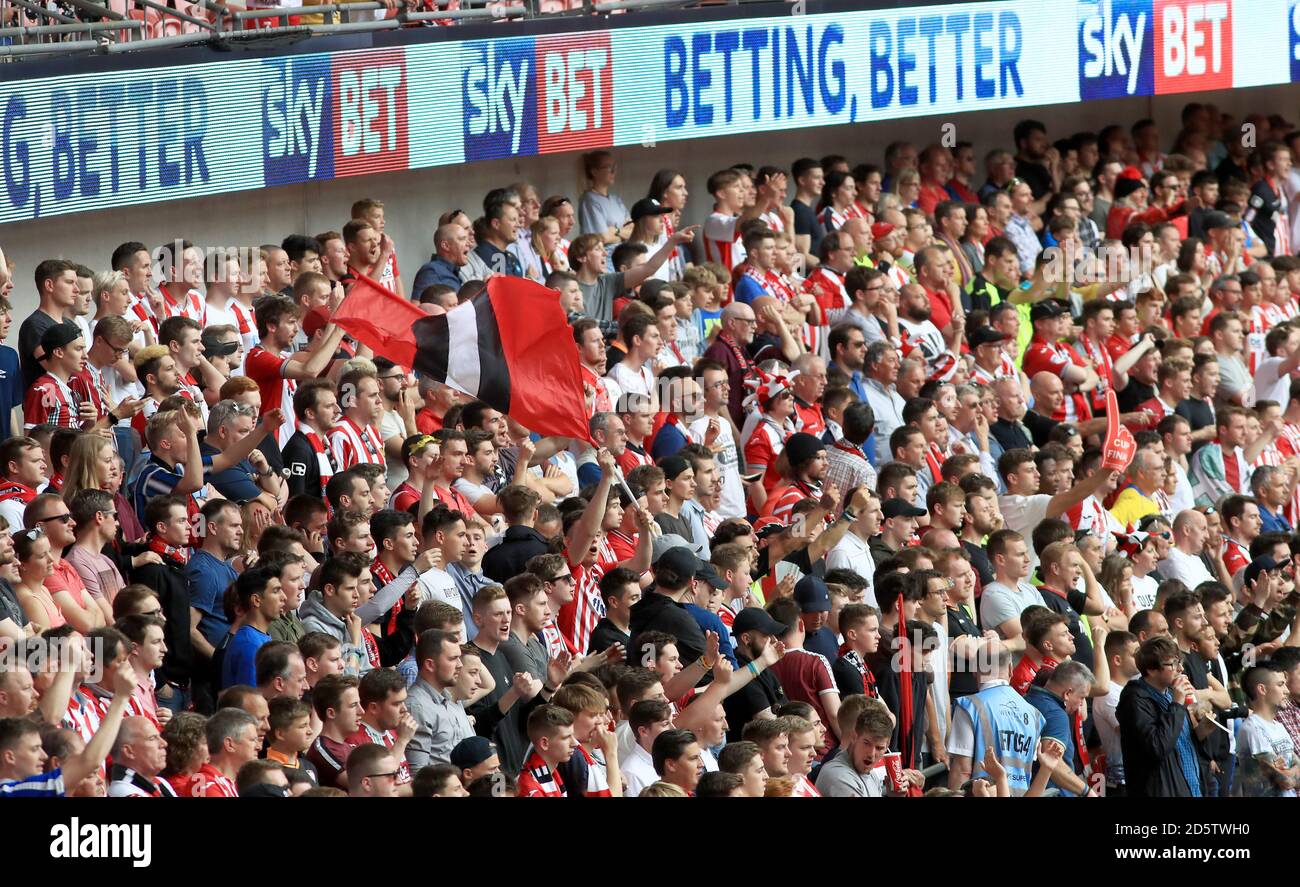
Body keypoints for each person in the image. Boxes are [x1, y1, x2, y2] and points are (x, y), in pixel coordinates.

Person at [1116, 635, 1205, 797]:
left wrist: (1204, 728)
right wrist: (1177, 705)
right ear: (1151, 669)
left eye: (1180, 662)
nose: (1180, 669)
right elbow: (1157, 746)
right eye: (1173, 664)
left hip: (1190, 786)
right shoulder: (1134, 699)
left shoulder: (1170, 693)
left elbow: (1181, 740)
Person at [1236, 663, 1300, 797]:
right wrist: (1290, 772)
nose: (1286, 690)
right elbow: (1286, 781)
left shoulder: (1279, 727)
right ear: (1262, 689)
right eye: (1280, 684)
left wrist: (1287, 771)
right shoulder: (1253, 729)